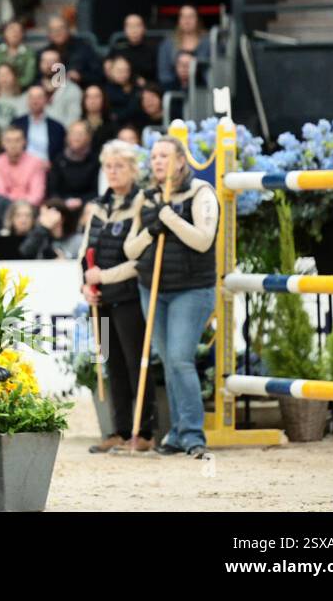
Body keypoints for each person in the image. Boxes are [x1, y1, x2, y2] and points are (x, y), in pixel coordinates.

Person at [123, 137, 220, 458]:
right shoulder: (146, 198)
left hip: (192, 289)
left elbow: (203, 241)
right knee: (169, 362)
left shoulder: (201, 193)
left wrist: (170, 219)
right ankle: (177, 433)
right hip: (152, 288)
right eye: (153, 156)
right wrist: (151, 230)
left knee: (179, 359)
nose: (157, 161)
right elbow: (130, 249)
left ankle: (193, 435)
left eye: (164, 155)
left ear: (181, 160)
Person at [79, 139, 155, 453]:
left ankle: (144, 432)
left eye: (119, 166)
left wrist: (104, 277)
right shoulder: (98, 205)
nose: (112, 172)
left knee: (136, 364)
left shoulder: (142, 203)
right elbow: (86, 251)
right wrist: (86, 285)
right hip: (102, 302)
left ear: (133, 169)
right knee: (113, 365)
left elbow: (140, 260)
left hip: (129, 299)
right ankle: (120, 430)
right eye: (108, 166)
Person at [47, 120, 99, 231]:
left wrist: (81, 201)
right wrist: (64, 202)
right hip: (62, 204)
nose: (76, 137)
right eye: (73, 133)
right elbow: (52, 190)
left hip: (86, 204)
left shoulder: (95, 161)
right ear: (67, 137)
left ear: (89, 137)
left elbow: (97, 191)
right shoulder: (58, 160)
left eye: (80, 134)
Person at [0, 126, 46, 206]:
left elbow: (37, 194)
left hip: (30, 208)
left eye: (17, 140)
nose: (13, 145)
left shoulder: (36, 162)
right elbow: (0, 193)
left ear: (24, 142)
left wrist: (21, 206)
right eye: (8, 141)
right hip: (5, 208)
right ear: (2, 143)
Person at [157, 4, 209, 90]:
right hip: (174, 89)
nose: (187, 21)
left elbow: (213, 71)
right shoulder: (167, 44)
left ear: (197, 19)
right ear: (179, 20)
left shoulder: (208, 42)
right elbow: (164, 75)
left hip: (203, 89)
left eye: (191, 17)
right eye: (183, 17)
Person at [107, 13, 159, 86]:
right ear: (125, 29)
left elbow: (158, 77)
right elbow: (108, 68)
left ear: (144, 28)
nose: (134, 30)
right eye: (130, 26)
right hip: (120, 89)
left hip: (146, 89)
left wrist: (147, 84)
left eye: (137, 26)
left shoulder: (153, 50)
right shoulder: (117, 49)